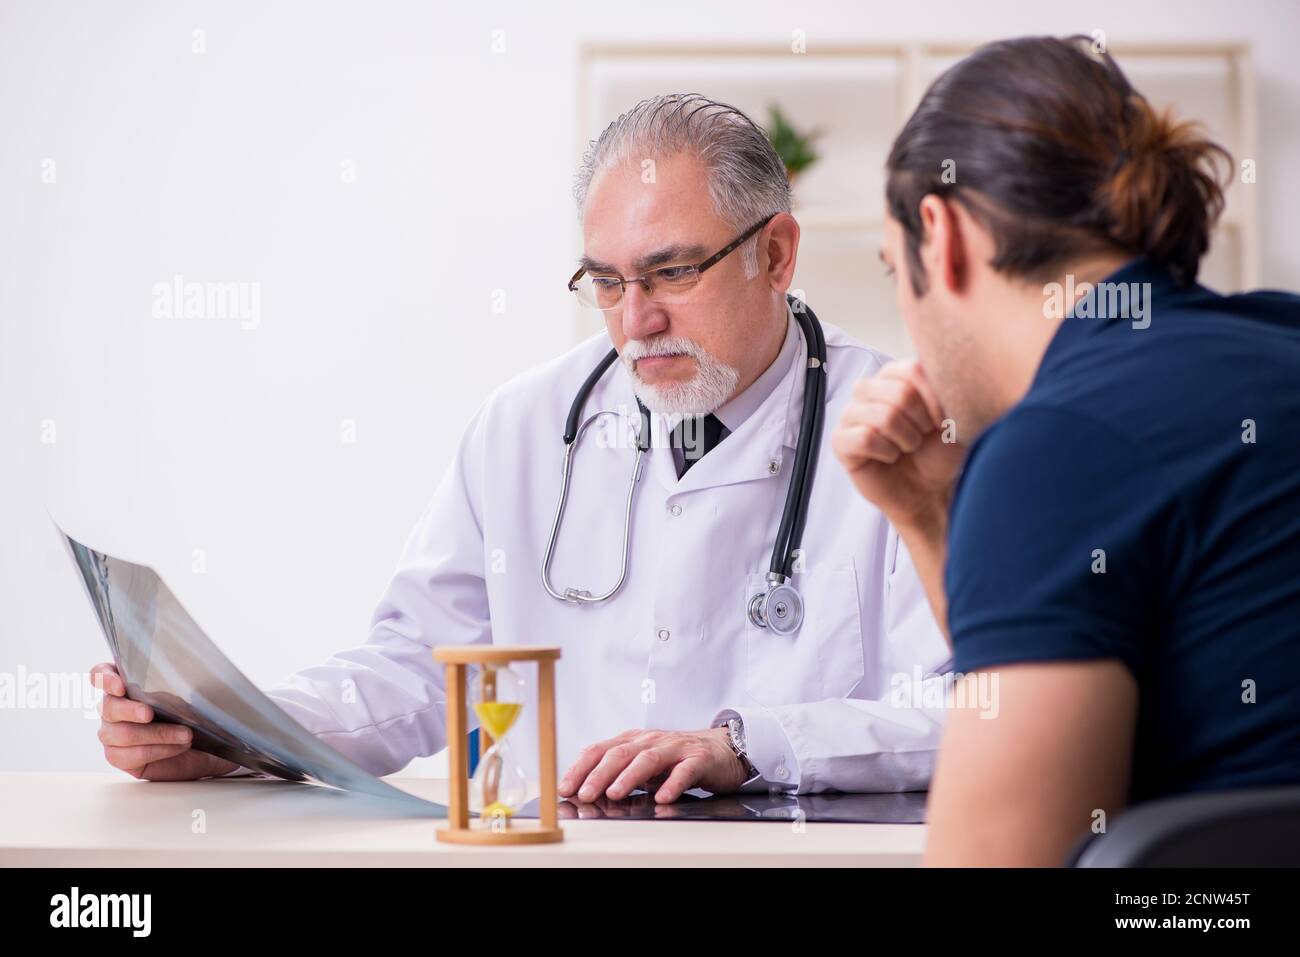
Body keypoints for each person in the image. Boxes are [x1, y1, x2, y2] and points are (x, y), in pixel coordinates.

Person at [92, 94, 950, 804]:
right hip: (562, 859)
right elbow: (419, 671)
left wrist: (750, 741)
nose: (636, 319)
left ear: (776, 252)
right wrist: (233, 728)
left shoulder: (907, 428)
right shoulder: (525, 426)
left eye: (672, 273)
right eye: (606, 283)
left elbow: (966, 709)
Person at [834, 35, 1300, 865]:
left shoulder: (1057, 446)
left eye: (890, 271)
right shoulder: (1279, 336)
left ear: (937, 236)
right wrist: (934, 519)